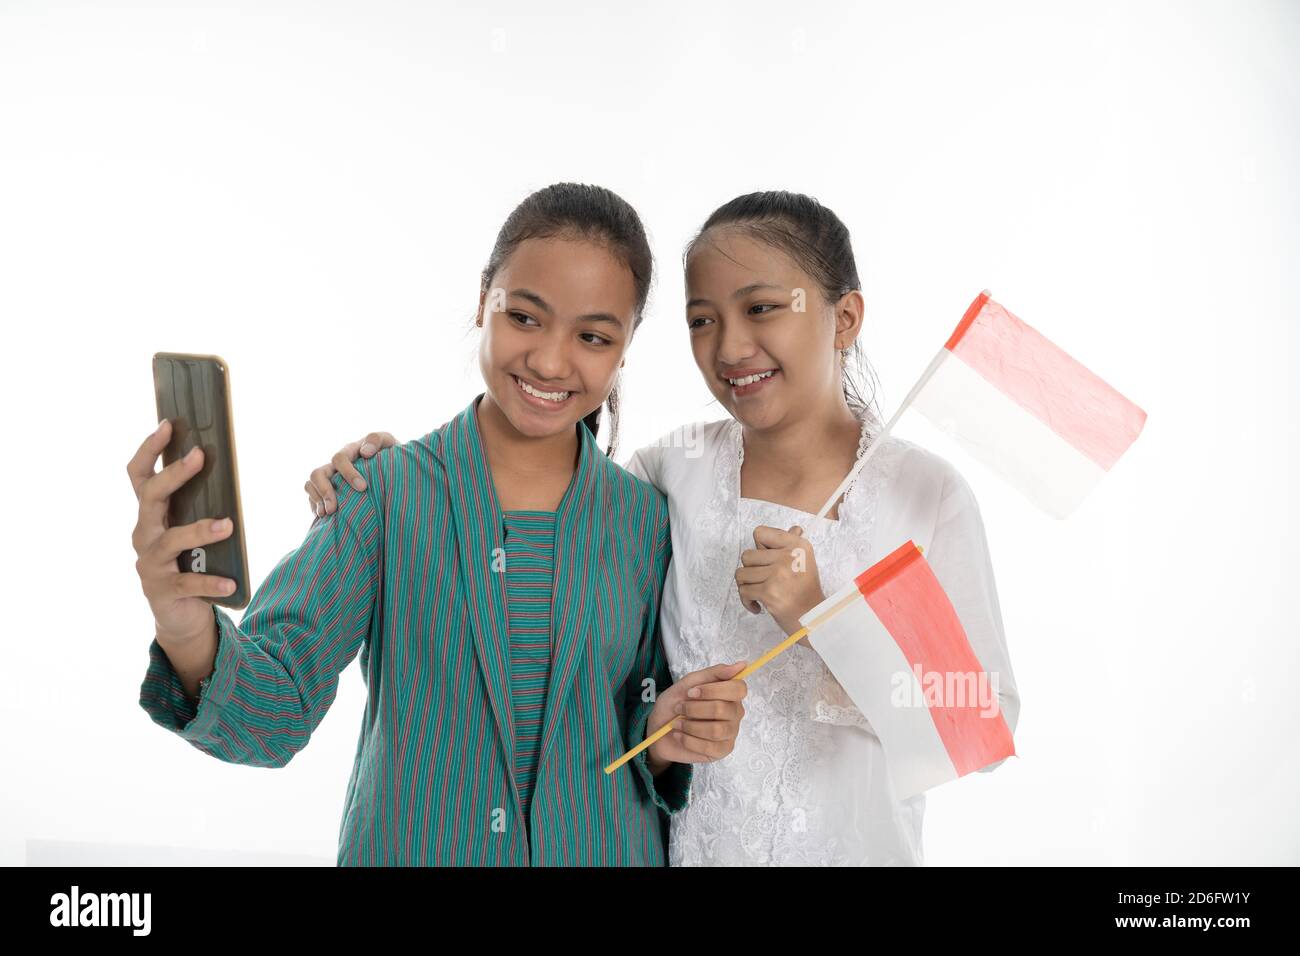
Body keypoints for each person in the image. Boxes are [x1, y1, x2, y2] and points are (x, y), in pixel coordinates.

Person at [305, 191, 1020, 866]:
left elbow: (981, 735)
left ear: (845, 317)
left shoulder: (924, 499)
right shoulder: (669, 477)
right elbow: (538, 496)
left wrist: (818, 612)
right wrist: (384, 478)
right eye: (702, 320)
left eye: (763, 308)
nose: (731, 346)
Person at [130, 182, 749, 866]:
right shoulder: (382, 493)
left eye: (593, 336)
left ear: (625, 347)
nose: (549, 361)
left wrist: (662, 740)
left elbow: (641, 721)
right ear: (484, 299)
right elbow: (270, 719)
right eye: (524, 318)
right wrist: (185, 628)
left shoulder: (646, 522)